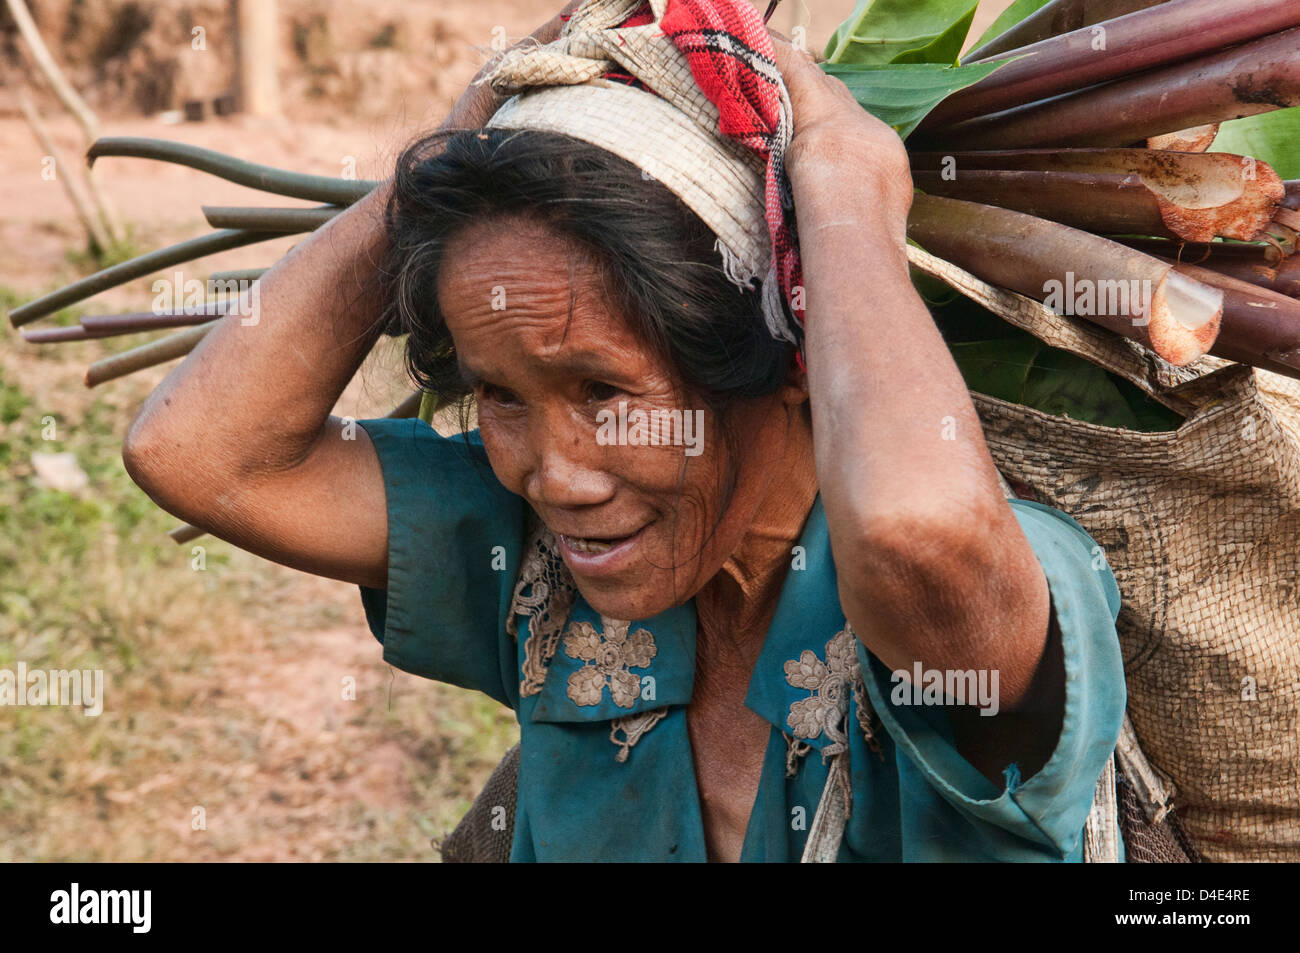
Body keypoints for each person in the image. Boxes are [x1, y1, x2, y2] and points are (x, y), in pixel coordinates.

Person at [122, 0, 1125, 862]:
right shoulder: (537, 562)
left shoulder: (978, 586)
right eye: (501, 395)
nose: (553, 476)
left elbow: (916, 531)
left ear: (783, 361)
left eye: (605, 392)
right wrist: (451, 152)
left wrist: (845, 198)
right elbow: (197, 451)